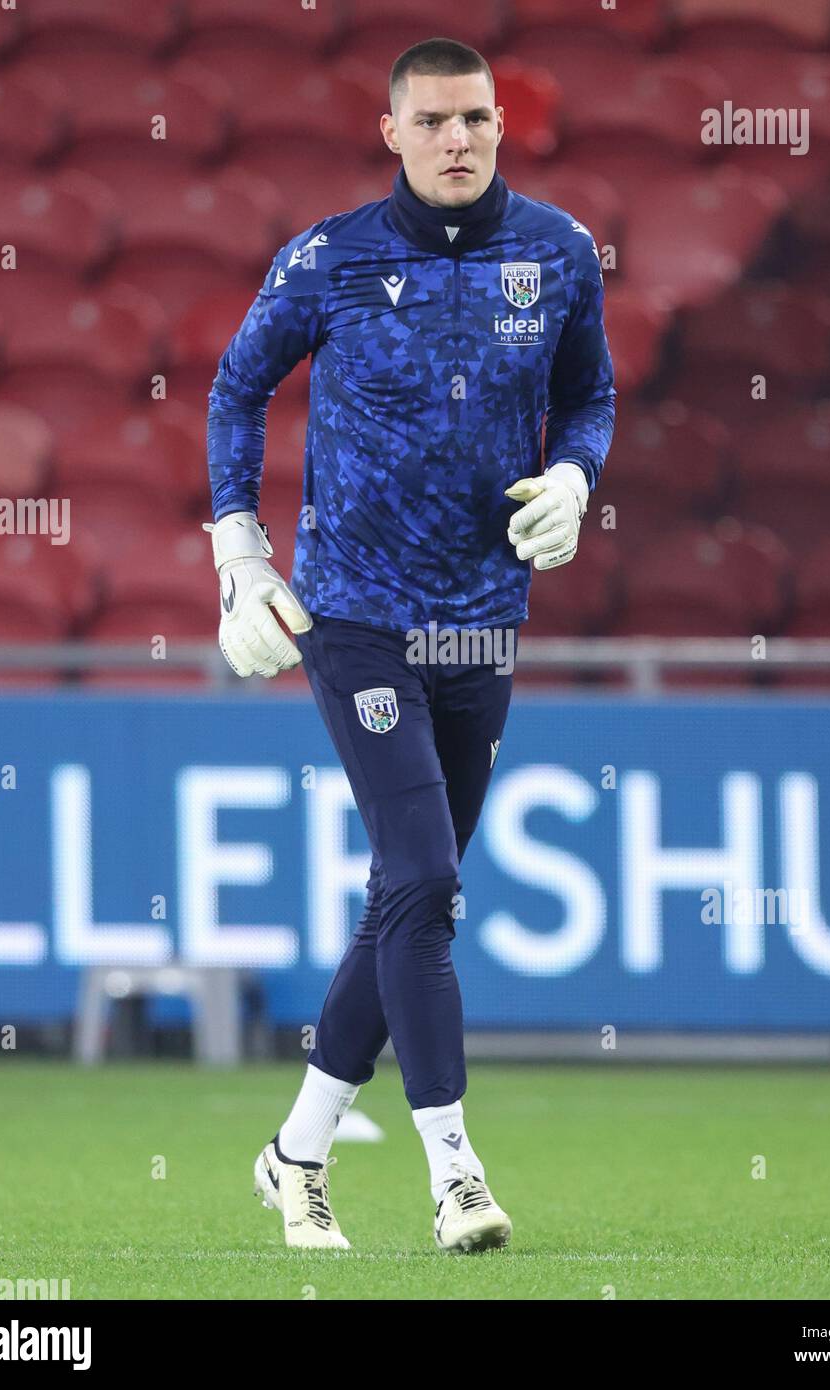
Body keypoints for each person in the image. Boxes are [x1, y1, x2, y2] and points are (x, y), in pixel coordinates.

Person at [205, 36, 615, 1253]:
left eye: (476, 119)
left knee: (404, 894)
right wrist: (240, 554)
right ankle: (456, 1174)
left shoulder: (556, 251)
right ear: (390, 131)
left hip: (482, 618)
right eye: (432, 120)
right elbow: (235, 387)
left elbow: (589, 394)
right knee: (430, 885)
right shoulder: (330, 257)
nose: (457, 140)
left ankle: (295, 1154)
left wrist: (578, 478)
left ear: (500, 125)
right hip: (356, 615)